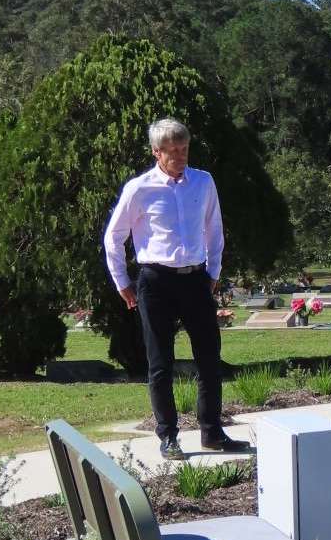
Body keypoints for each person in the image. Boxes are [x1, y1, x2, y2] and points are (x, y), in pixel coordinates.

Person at [103, 118, 251, 459]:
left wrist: (212, 272)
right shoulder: (139, 189)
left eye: (184, 149)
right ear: (157, 152)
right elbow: (114, 236)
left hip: (196, 279)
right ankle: (168, 436)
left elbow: (215, 229)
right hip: (156, 280)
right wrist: (122, 281)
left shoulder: (203, 182)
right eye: (173, 151)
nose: (180, 156)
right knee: (160, 364)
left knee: (209, 359)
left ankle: (212, 432)